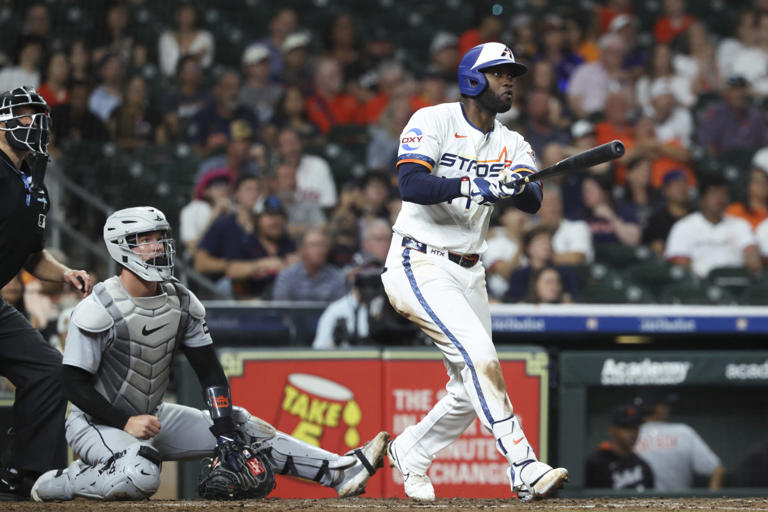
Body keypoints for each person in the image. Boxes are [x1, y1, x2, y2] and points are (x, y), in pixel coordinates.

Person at [30, 206, 389, 502]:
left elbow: (210, 372)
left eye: (160, 238)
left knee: (240, 425)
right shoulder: (98, 307)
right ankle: (67, 481)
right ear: (121, 247)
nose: (157, 246)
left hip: (153, 414)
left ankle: (339, 471)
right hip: (95, 422)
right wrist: (124, 422)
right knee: (140, 474)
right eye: (146, 240)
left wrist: (224, 431)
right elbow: (73, 384)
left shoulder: (181, 300)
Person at [380, 42, 568, 502]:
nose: (509, 81)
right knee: (480, 356)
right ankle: (523, 464)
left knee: (469, 388)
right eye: (499, 72)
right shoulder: (433, 120)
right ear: (471, 79)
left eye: (512, 74)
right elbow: (411, 183)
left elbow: (533, 200)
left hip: (469, 269)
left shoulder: (512, 142)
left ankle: (411, 451)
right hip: (419, 259)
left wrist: (515, 184)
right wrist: (475, 183)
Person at [0, 86, 93, 500]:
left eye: (39, 115)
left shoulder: (34, 184)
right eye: (23, 115)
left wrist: (66, 273)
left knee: (49, 371)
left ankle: (23, 475)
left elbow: (33, 256)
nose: (34, 123)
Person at [665, 176, 761, 278]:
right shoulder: (683, 227)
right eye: (714, 194)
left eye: (724, 194)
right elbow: (680, 265)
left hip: (737, 281)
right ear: (702, 199)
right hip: (700, 283)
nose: (720, 199)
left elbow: (753, 260)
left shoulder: (740, 225)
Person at [634, 389, 724, 491]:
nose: (668, 408)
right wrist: (713, 500)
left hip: (635, 501)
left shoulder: (629, 435)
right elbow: (717, 471)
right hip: (676, 500)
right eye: (666, 405)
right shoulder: (683, 432)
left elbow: (717, 471)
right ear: (659, 408)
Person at [585, 404, 654, 490]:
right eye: (626, 427)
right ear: (612, 429)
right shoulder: (596, 464)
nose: (632, 433)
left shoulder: (642, 465)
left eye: (635, 428)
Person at [272, 227, 346, 302]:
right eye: (314, 245)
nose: (319, 250)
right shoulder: (287, 276)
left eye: (322, 245)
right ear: (302, 249)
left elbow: (340, 307)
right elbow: (281, 307)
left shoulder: (337, 277)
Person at [642, 169, 691, 258]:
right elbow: (658, 251)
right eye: (677, 184)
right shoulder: (657, 220)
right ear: (665, 190)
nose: (682, 188)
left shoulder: (696, 216)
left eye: (684, 183)